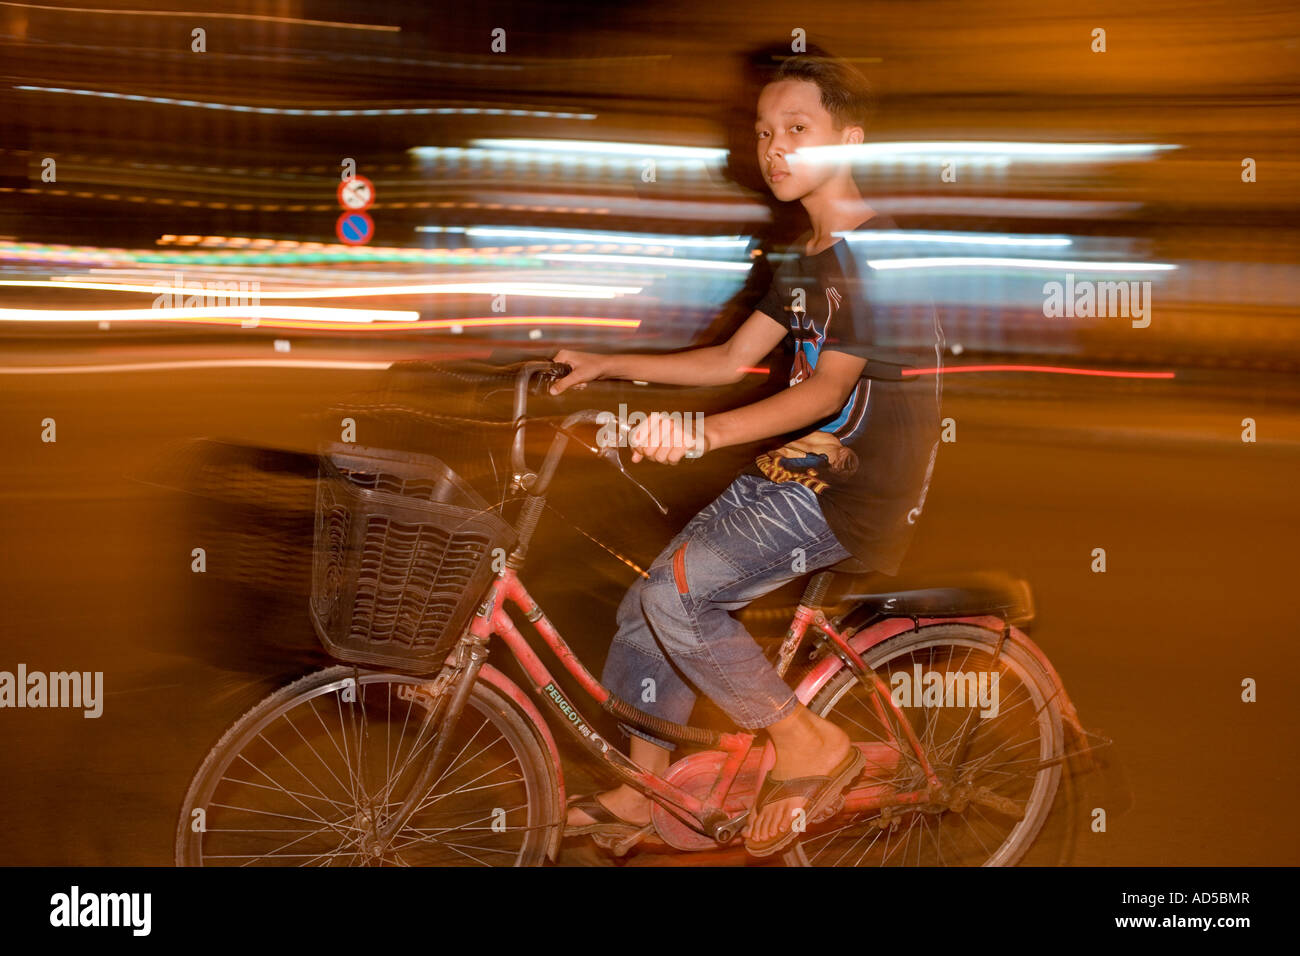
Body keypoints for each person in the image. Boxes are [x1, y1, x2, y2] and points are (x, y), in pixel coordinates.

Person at [549, 53, 944, 857]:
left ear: (850, 142)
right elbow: (730, 361)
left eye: (798, 129)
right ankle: (639, 791)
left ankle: (810, 745)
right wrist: (607, 365)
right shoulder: (805, 260)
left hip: (852, 487)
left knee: (677, 601)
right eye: (765, 132)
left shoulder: (880, 256)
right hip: (798, 474)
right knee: (644, 607)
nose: (775, 148)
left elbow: (826, 391)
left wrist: (702, 434)